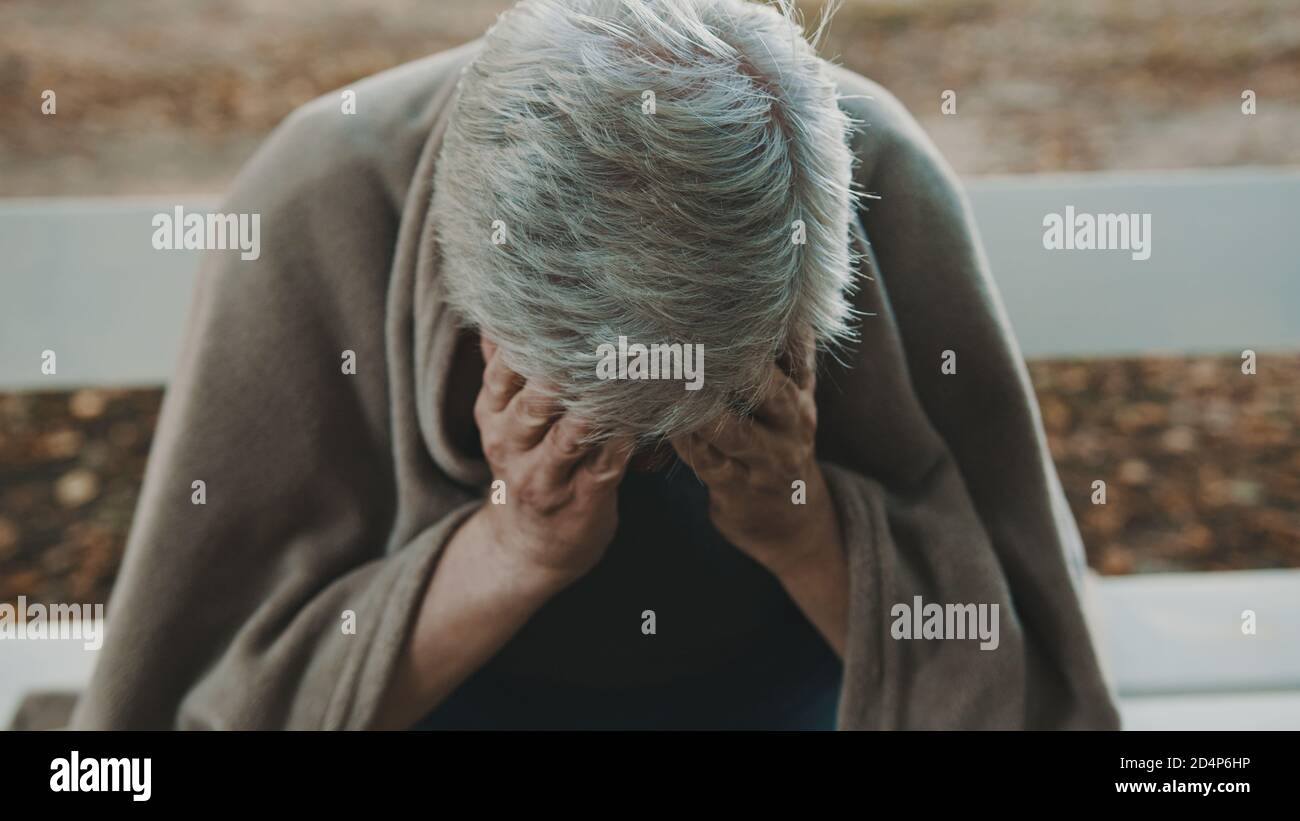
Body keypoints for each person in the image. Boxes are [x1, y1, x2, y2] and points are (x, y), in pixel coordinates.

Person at [72, 0, 1120, 730]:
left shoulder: (877, 166)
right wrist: (515, 547)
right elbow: (208, 698)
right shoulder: (319, 198)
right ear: (472, 304)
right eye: (599, 411)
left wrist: (803, 527)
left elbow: (1020, 684)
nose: (653, 456)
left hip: (791, 680)